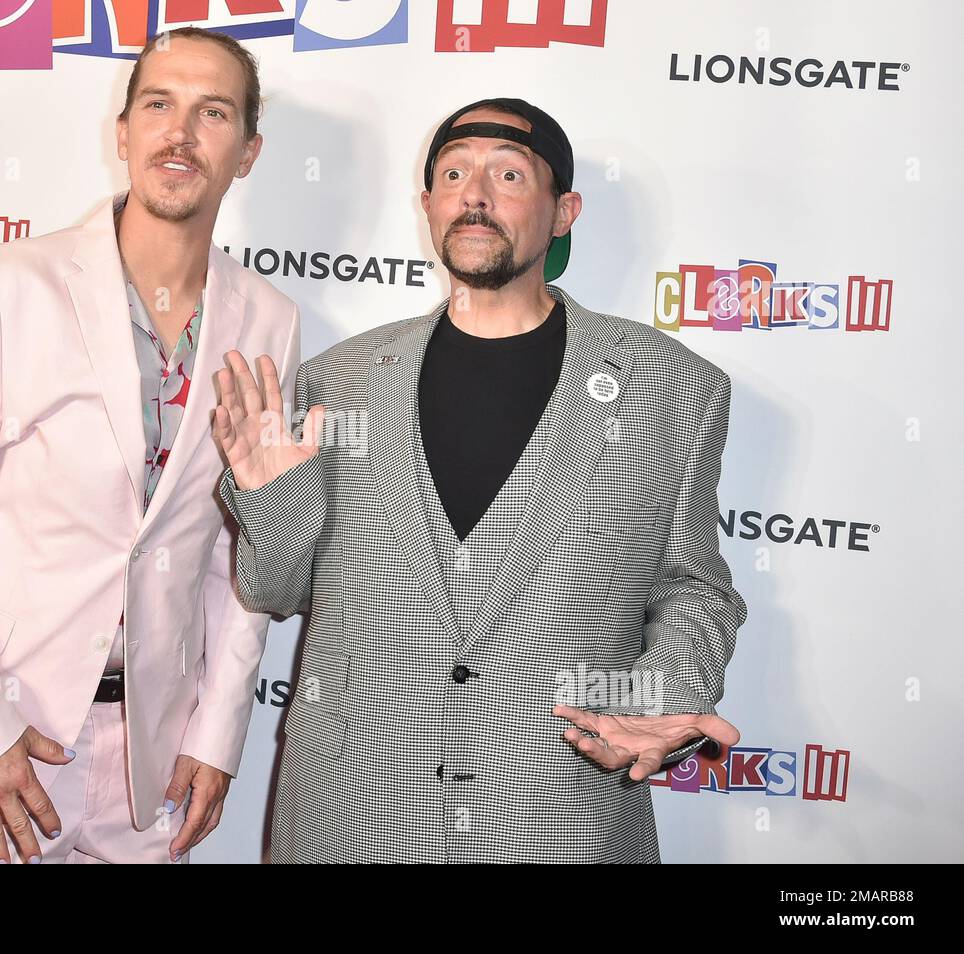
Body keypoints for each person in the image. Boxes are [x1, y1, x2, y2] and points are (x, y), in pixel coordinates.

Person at [210, 98, 747, 862]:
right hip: (356, 808)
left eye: (508, 174)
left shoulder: (670, 388)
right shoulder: (339, 382)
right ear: (429, 206)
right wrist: (271, 495)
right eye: (454, 174)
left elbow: (694, 587)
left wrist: (660, 696)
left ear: (565, 211)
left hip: (557, 808)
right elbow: (275, 591)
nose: (476, 194)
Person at [0, 27, 300, 864]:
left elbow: (246, 545)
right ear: (122, 133)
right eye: (158, 105)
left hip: (149, 763)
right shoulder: (7, 286)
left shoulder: (270, 318)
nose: (180, 133)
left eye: (213, 112)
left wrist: (219, 728)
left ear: (249, 151)